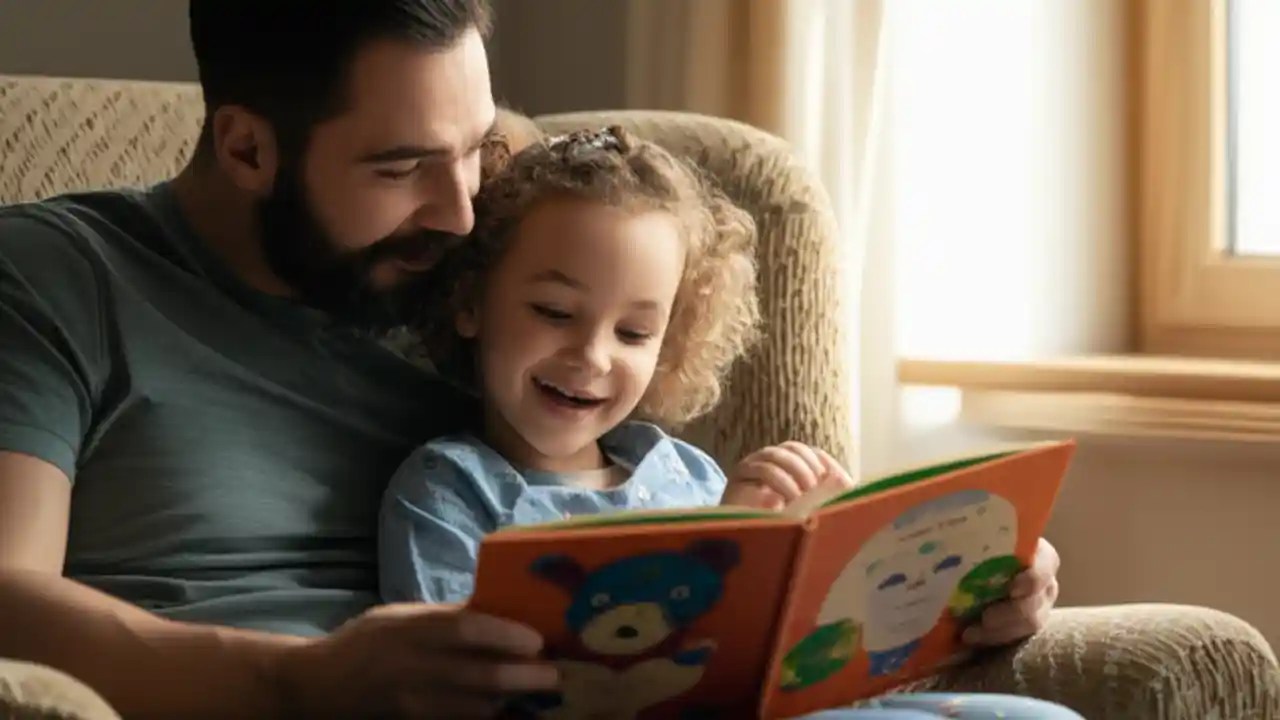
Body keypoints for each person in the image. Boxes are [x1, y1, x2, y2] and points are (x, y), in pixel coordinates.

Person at [0, 1, 1061, 718]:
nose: (461, 209)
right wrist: (307, 680)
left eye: (473, 152)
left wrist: (955, 587)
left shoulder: (485, 278)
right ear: (244, 148)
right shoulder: (59, 277)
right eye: (405, 165)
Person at [375, 127, 1082, 720]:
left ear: (671, 342)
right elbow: (458, 691)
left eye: (633, 332)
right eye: (555, 313)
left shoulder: (686, 473)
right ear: (470, 302)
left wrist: (982, 583)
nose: (591, 357)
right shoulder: (447, 489)